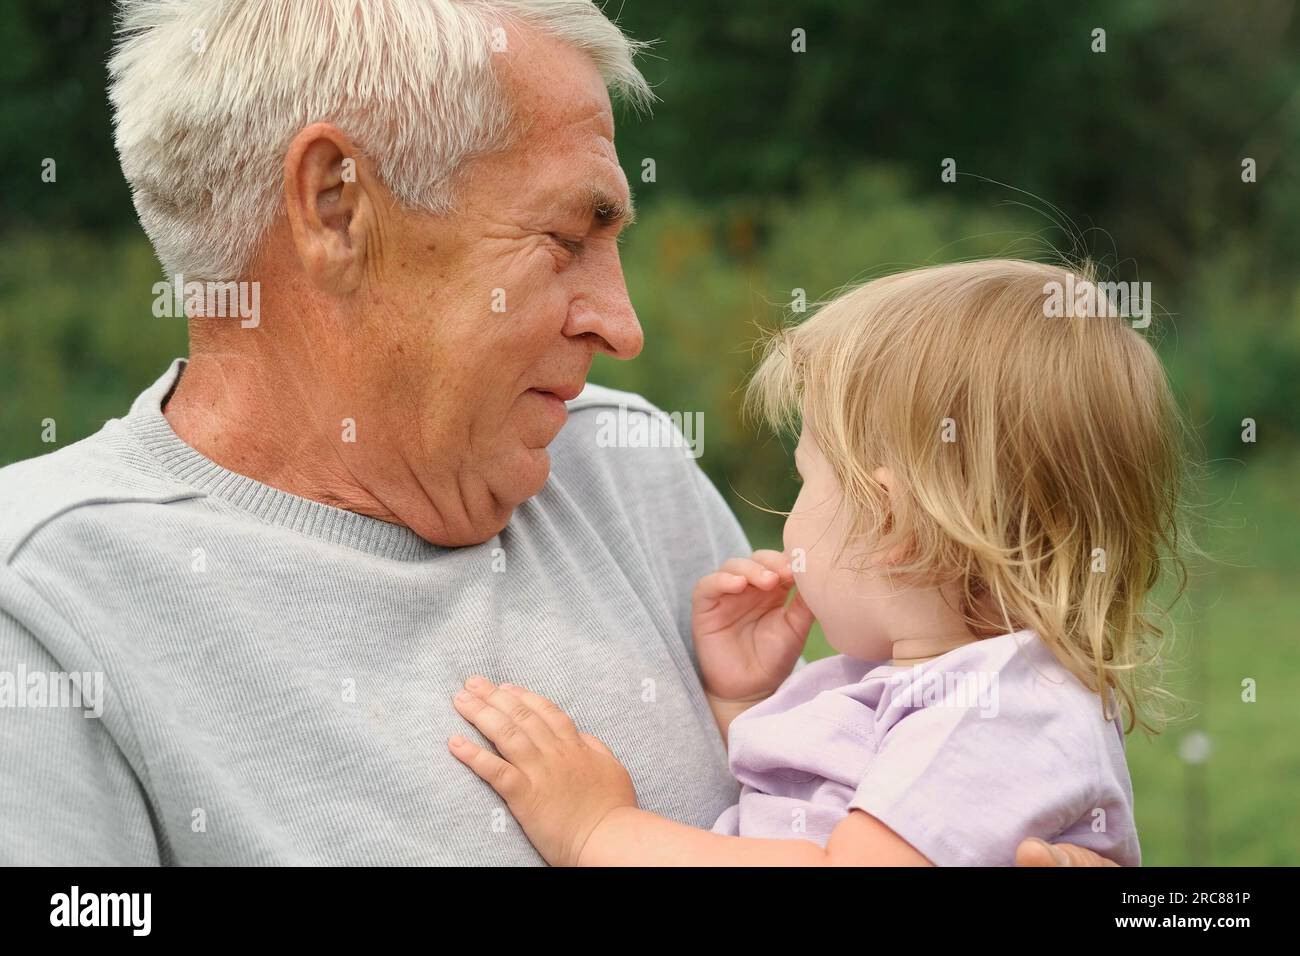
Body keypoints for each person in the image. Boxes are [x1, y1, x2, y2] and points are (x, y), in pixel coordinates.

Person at [0, 1, 1111, 866]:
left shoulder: (624, 465)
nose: (622, 328)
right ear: (336, 201)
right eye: (567, 234)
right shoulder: (44, 601)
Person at [447, 260, 1181, 865]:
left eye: (806, 479)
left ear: (889, 520)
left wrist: (598, 831)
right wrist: (742, 703)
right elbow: (807, 813)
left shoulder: (1002, 707)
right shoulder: (923, 686)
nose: (792, 512)